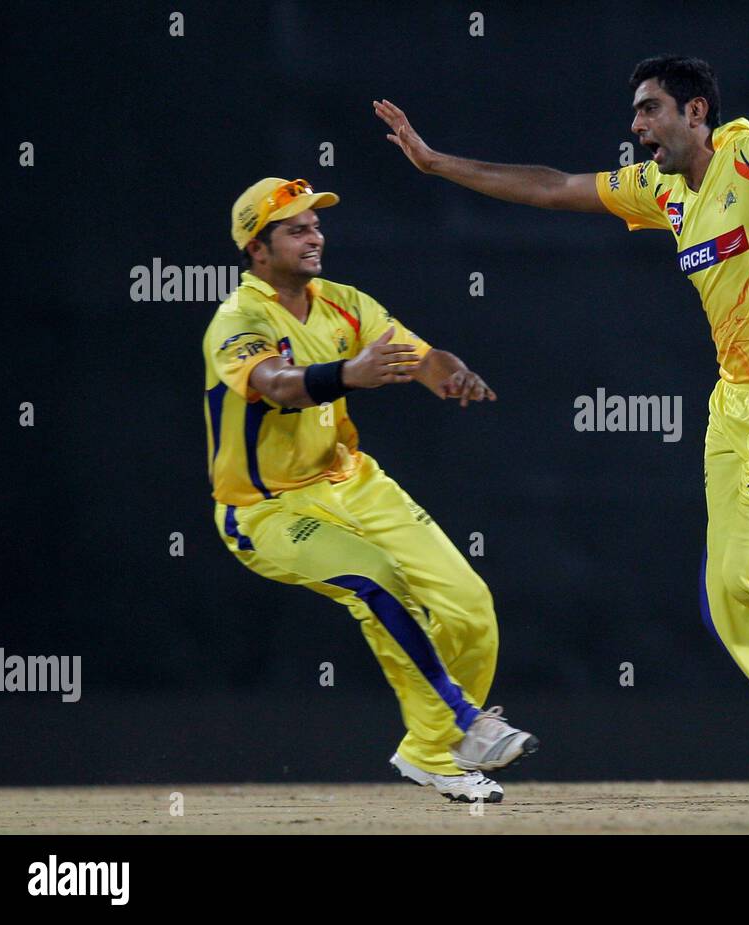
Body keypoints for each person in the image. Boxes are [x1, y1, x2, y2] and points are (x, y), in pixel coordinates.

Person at [374, 14, 749, 802]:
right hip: (734, 400)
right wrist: (437, 164)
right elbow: (557, 187)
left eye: (649, 110)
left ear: (695, 111)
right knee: (728, 597)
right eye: (635, 114)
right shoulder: (664, 191)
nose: (636, 128)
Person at [203, 177, 537, 803]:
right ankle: (468, 724)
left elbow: (418, 354)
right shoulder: (239, 318)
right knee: (375, 579)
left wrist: (449, 372)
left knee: (471, 606)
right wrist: (350, 375)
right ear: (257, 248)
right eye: (296, 228)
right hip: (266, 508)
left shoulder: (343, 304)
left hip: (354, 480)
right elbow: (276, 385)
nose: (315, 235)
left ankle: (428, 753)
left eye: (315, 224)